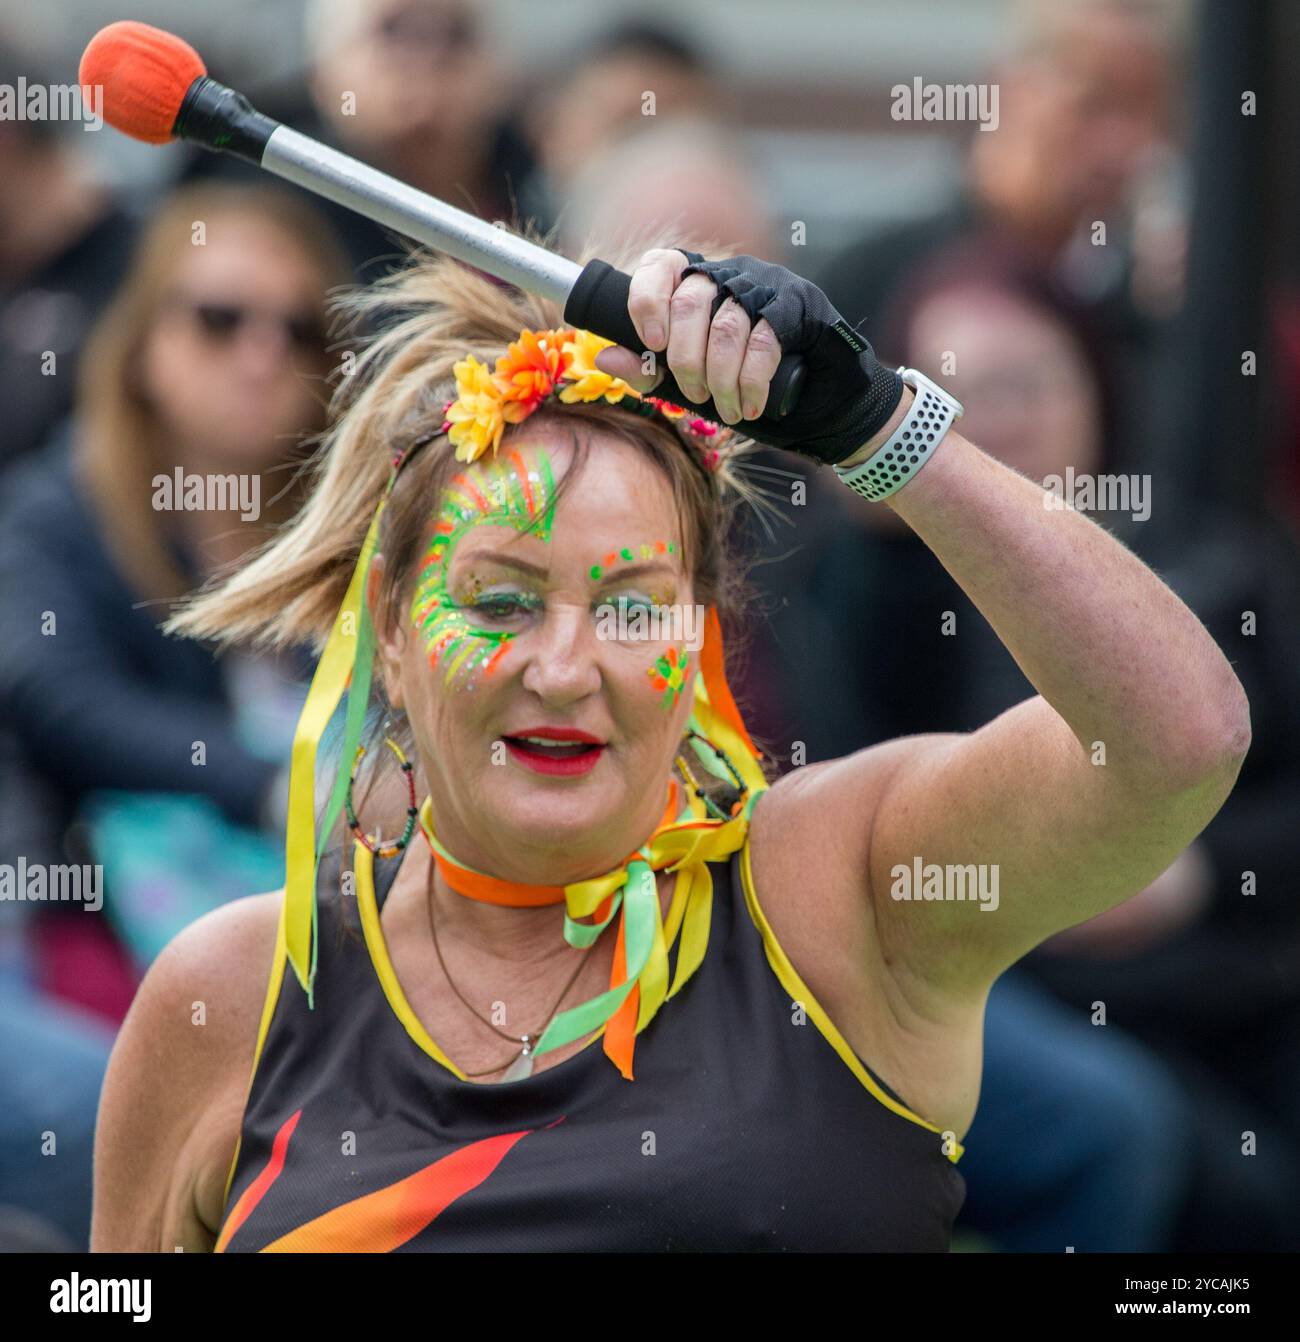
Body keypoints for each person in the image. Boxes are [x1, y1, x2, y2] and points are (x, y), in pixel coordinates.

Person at [90, 235, 1248, 1252]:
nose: (564, 667)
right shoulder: (234, 993)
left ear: (701, 639)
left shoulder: (834, 889)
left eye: (633, 607)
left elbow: (1174, 743)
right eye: (497, 602)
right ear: (389, 633)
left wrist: (883, 430)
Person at [0, 183, 350, 1020]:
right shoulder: (58, 512)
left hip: (330, 913)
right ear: (144, 343)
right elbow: (55, 698)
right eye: (221, 318)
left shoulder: (356, 522)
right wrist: (273, 785)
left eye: (298, 328)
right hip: (91, 916)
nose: (261, 352)